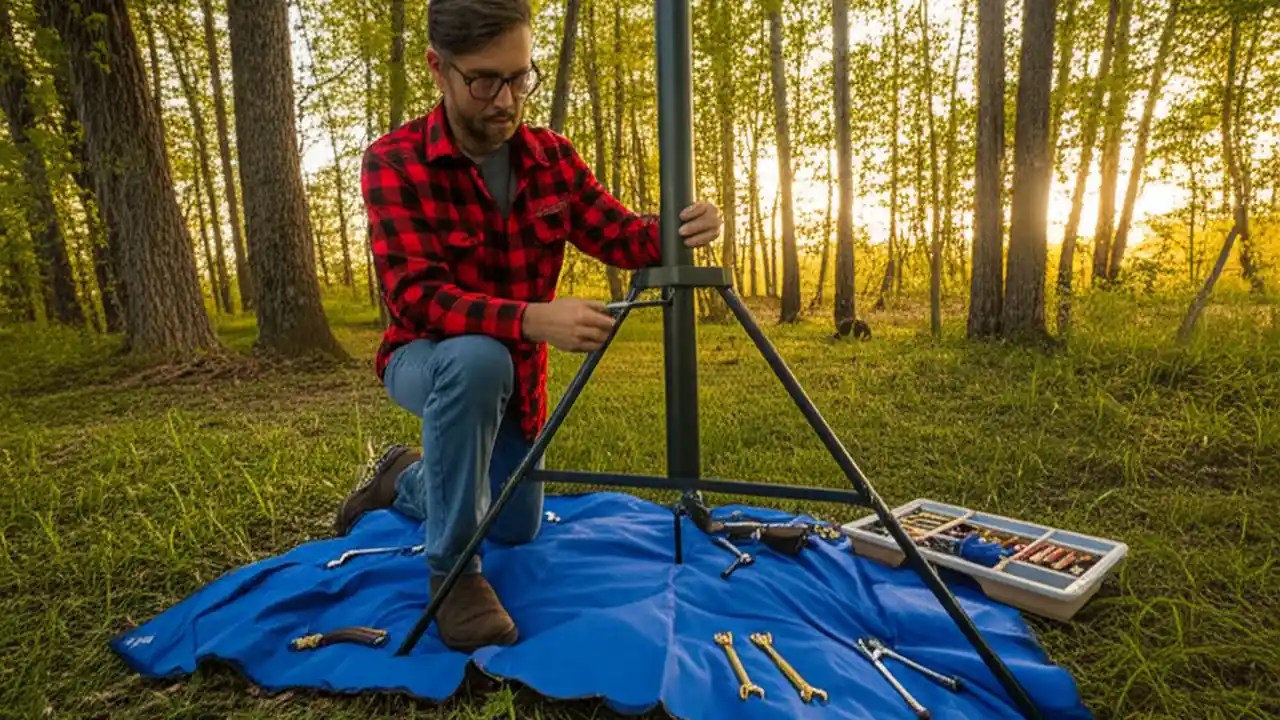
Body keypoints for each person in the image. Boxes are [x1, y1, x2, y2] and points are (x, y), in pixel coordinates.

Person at [333, 0, 721, 652]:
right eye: (486, 80)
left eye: (521, 78)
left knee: (515, 527)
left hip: (517, 385)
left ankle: (402, 478)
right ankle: (453, 573)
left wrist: (681, 231)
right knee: (480, 358)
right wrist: (533, 319)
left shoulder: (552, 159)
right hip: (422, 357)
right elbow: (418, 295)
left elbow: (621, 237)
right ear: (439, 68)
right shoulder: (394, 162)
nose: (507, 99)